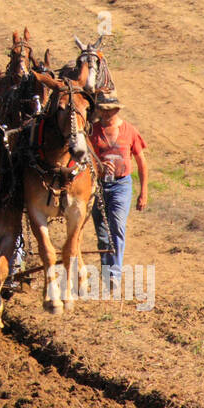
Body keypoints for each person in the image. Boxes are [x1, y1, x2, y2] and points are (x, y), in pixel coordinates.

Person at [90, 91, 149, 285]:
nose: (106, 114)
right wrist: (98, 166)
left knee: (116, 226)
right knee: (101, 232)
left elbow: (141, 162)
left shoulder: (129, 131)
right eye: (102, 110)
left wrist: (143, 193)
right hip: (98, 186)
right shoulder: (93, 131)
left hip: (121, 185)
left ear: (116, 110)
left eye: (109, 111)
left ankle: (114, 274)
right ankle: (107, 273)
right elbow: (85, 160)